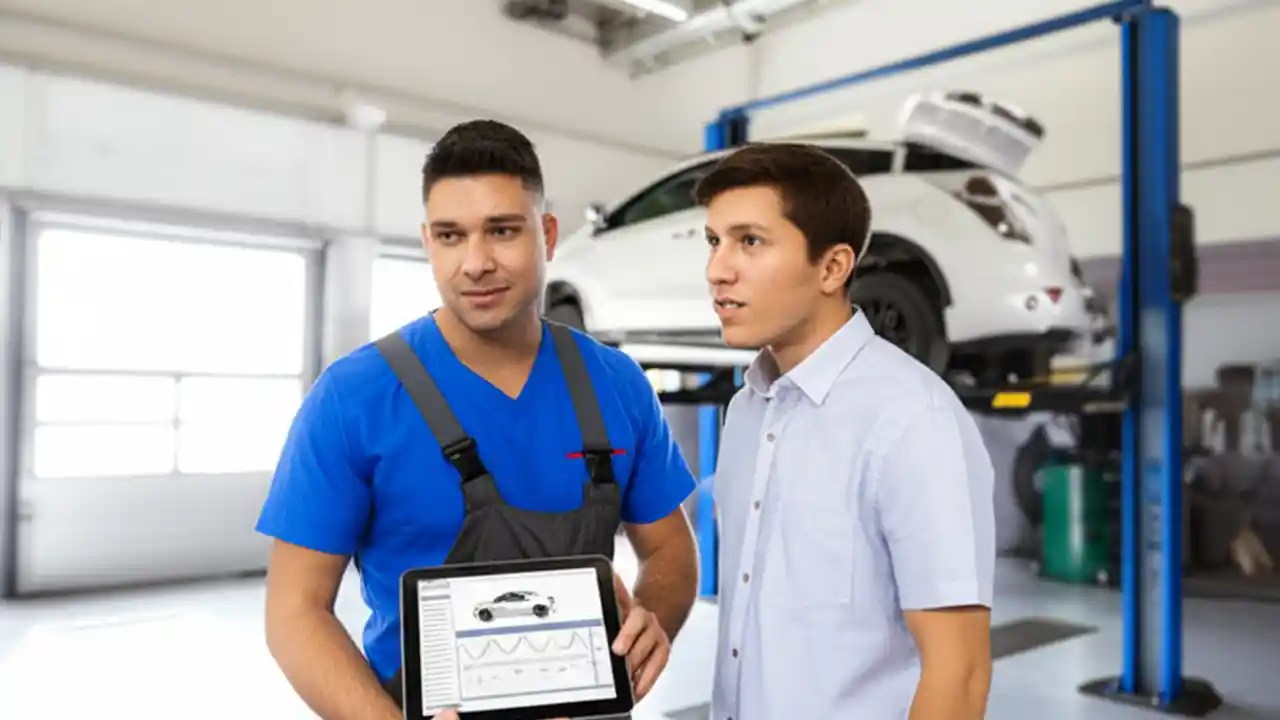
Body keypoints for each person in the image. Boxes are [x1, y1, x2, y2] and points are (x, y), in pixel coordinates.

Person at [256, 119, 700, 720]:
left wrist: (653, 622)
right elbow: (294, 610)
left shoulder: (616, 383)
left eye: (502, 230)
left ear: (546, 233)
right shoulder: (354, 396)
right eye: (450, 236)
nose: (476, 262)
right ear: (427, 241)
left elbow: (671, 547)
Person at [698, 142, 996, 720]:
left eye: (750, 241)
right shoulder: (746, 410)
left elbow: (958, 674)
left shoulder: (913, 419)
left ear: (833, 267)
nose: (717, 270)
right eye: (714, 242)